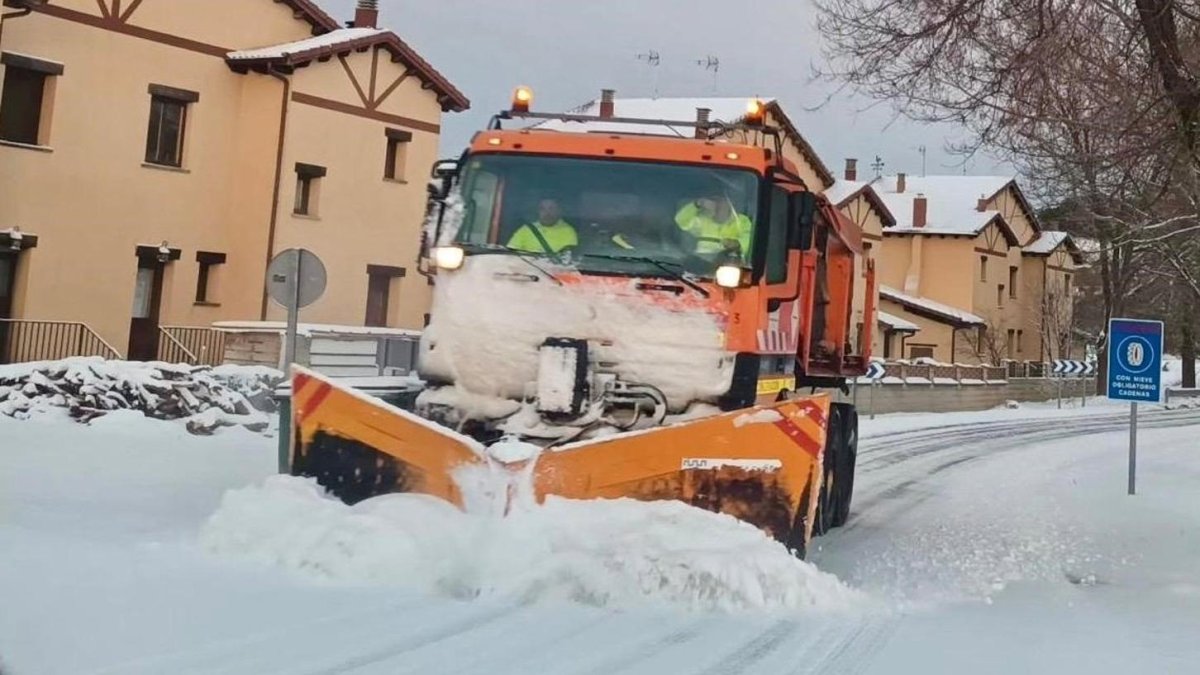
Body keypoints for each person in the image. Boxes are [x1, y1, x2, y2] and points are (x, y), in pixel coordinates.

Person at [673, 193, 752, 260]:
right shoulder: (702, 219)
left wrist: (738, 243)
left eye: (720, 201)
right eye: (713, 201)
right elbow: (681, 221)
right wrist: (697, 204)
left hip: (728, 265)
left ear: (730, 203)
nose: (716, 205)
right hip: (701, 262)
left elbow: (751, 239)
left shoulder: (741, 220)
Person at [506, 198, 578, 254]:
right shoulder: (526, 229)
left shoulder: (568, 231)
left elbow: (567, 258)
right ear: (538, 211)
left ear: (559, 211)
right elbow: (511, 252)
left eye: (551, 208)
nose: (547, 213)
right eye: (542, 209)